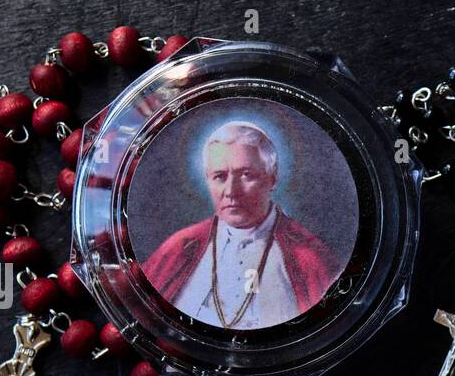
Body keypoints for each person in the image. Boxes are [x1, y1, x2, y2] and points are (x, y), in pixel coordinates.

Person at [143, 121, 340, 330]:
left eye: (246, 175)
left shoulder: (308, 256)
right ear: (207, 180)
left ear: (271, 180)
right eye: (219, 176)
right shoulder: (179, 246)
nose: (231, 191)